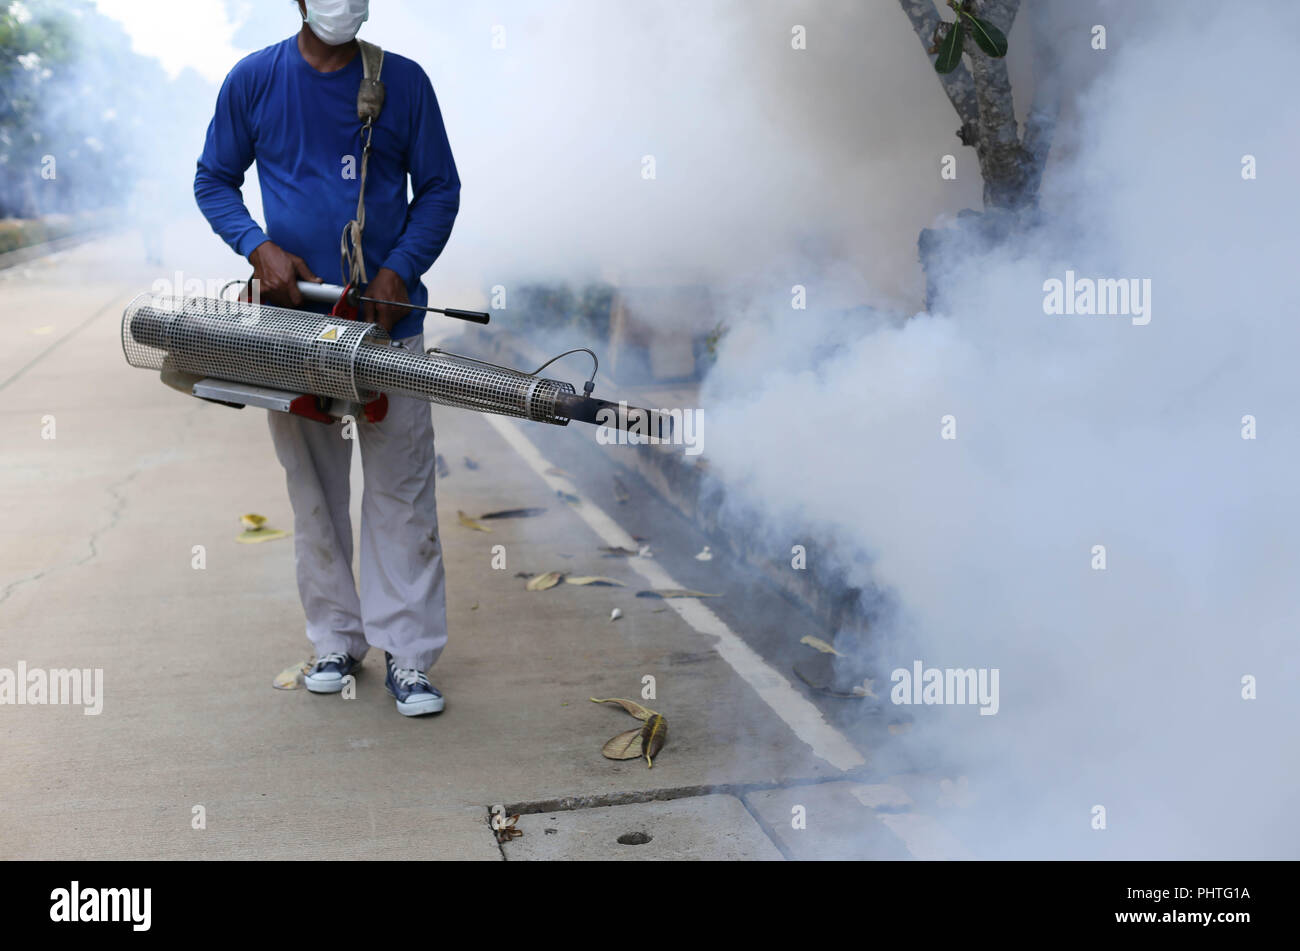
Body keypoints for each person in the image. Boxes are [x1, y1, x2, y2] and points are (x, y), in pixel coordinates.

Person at [194, 0, 460, 716]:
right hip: (297, 327)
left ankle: (410, 655)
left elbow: (440, 189)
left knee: (401, 486)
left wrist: (399, 267)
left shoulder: (402, 83)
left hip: (387, 323)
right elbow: (213, 179)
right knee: (311, 483)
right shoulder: (254, 80)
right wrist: (258, 247)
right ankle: (337, 639)